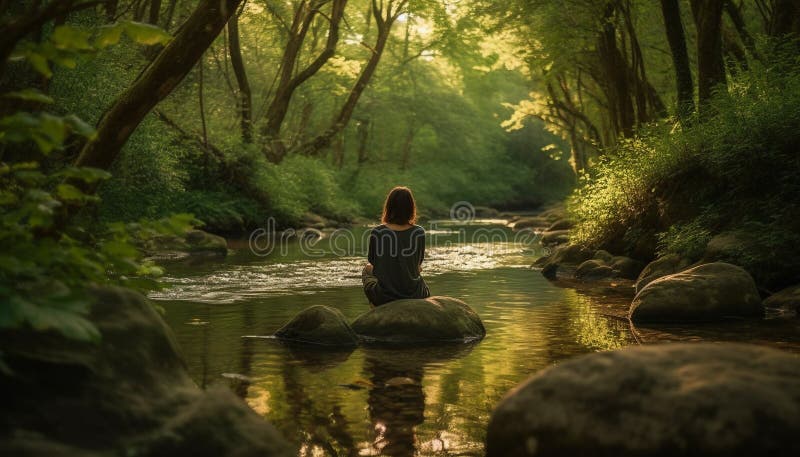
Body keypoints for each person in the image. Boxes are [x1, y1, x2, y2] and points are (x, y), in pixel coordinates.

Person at [362, 186, 430, 306]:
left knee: (367, 269)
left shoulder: (377, 232)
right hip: (416, 294)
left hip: (385, 296)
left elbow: (372, 261)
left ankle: (375, 308)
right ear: (411, 208)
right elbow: (418, 263)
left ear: (389, 207)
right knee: (417, 270)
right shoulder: (418, 232)